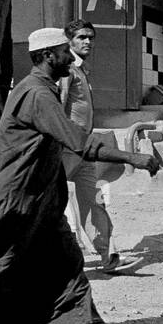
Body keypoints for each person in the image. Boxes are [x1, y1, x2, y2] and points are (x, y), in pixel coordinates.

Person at [0, 27, 163, 324]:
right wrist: (133, 157)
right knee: (2, 260)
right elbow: (80, 143)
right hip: (19, 198)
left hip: (42, 197)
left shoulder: (44, 90)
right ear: (46, 57)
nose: (69, 58)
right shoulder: (38, 95)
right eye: (62, 52)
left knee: (68, 262)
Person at [60, 19, 136, 274]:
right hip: (66, 148)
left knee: (93, 200)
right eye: (81, 37)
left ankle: (109, 255)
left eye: (90, 37)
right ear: (69, 39)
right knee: (51, 202)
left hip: (84, 148)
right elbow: (58, 109)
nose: (87, 42)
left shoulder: (81, 69)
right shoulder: (66, 69)